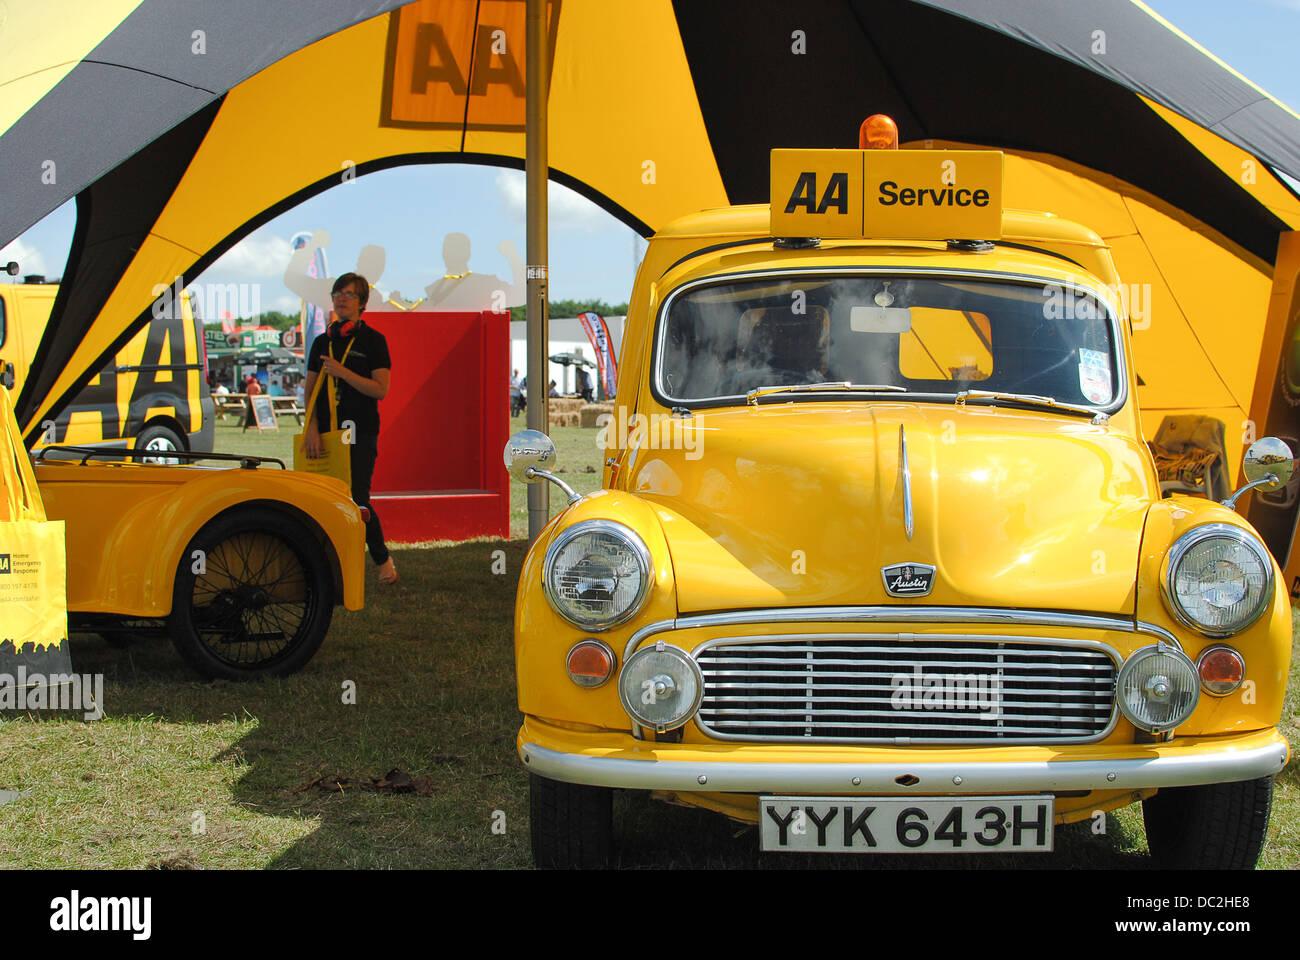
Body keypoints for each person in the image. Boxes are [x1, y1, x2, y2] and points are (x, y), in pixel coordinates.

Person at [302, 272, 397, 585]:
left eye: (349, 294)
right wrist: (312, 429)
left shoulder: (374, 341)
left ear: (363, 303)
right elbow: (310, 390)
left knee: (357, 498)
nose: (341, 298)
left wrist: (343, 372)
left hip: (361, 432)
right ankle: (326, 566)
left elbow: (380, 389)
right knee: (323, 500)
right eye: (337, 293)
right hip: (327, 433)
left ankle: (383, 561)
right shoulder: (321, 342)